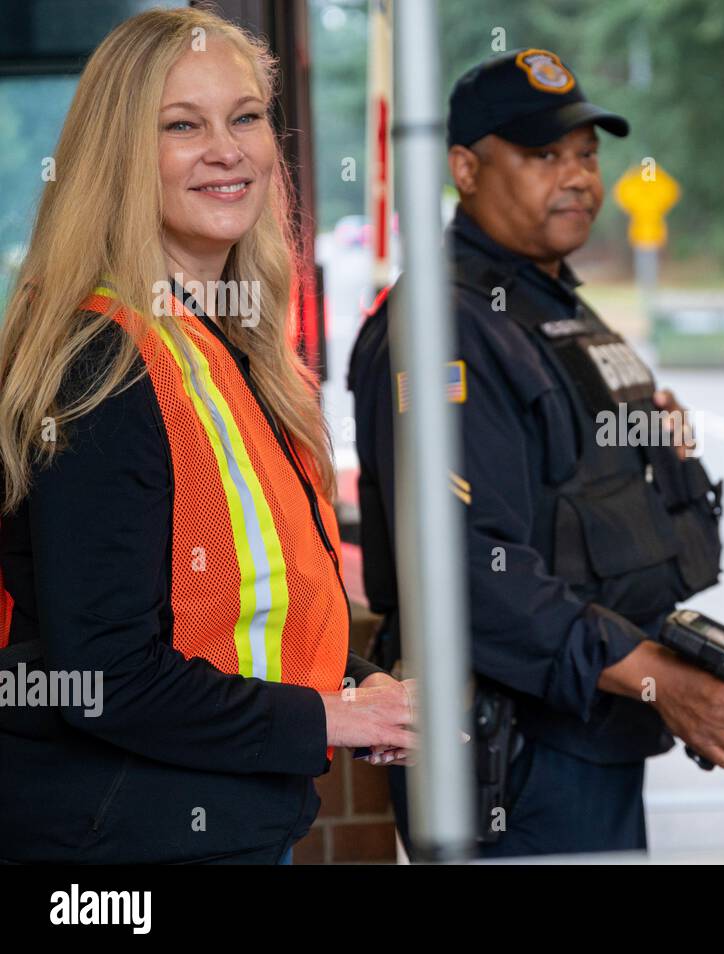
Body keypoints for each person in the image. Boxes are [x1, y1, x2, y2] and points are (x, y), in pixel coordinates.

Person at [349, 48, 724, 858]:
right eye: (542, 155)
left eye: (588, 155)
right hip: (514, 762)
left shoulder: (550, 308)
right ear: (466, 167)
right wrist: (662, 678)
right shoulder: (443, 327)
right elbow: (464, 570)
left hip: (589, 730)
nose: (578, 177)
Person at [0, 7, 414, 865]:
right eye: (181, 125)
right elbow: (103, 676)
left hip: (210, 819)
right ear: (117, 157)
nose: (227, 149)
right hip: (123, 846)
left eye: (246, 117)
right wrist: (329, 717)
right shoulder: (101, 364)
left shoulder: (215, 342)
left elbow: (241, 603)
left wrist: (346, 679)